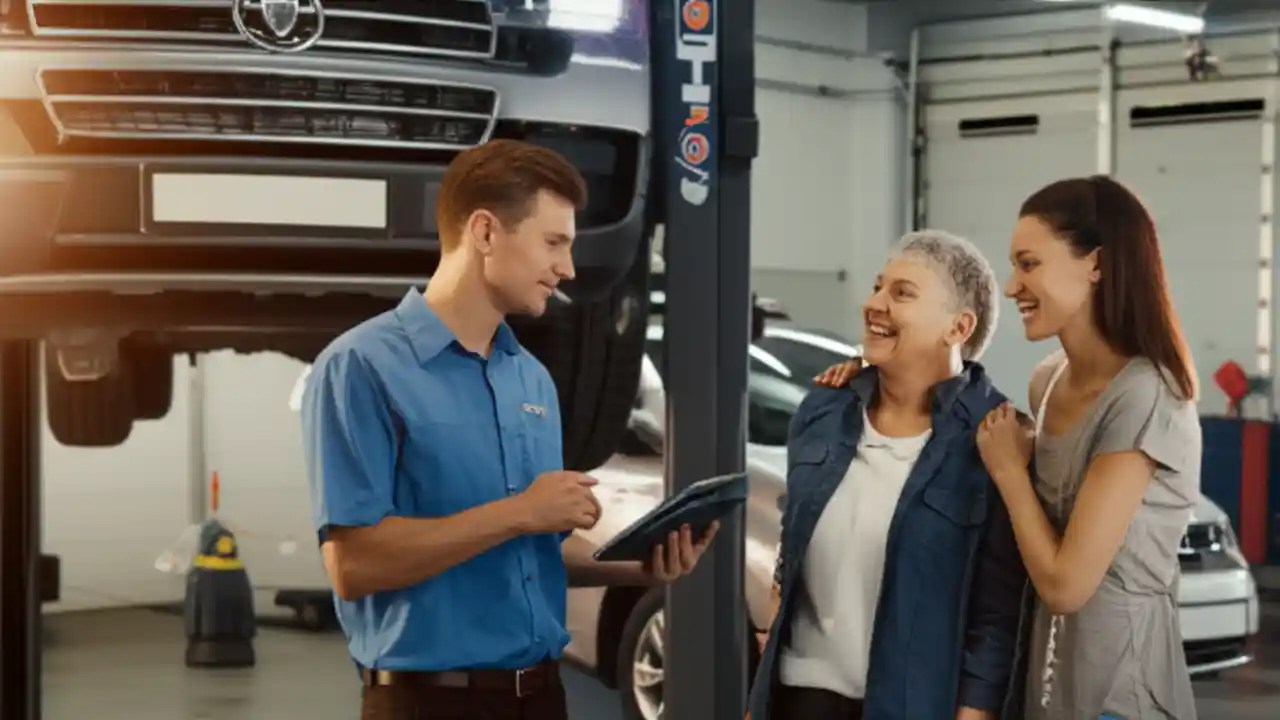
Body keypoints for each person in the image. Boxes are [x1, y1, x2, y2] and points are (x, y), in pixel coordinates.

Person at [300, 139, 718, 720]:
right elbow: (353, 566)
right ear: (486, 232)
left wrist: (636, 565)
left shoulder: (531, 380)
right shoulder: (361, 368)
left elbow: (525, 548)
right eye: (554, 242)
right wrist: (522, 510)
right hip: (428, 704)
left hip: (542, 698)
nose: (568, 268)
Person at [816, 176, 1201, 720]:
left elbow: (1065, 585)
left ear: (1095, 263)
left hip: (1120, 696)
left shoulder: (1146, 396)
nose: (1012, 284)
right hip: (1044, 691)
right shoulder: (1048, 381)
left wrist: (1010, 472)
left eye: (1028, 263)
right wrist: (876, 370)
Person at [747, 230, 1030, 720]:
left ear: (958, 327)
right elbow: (791, 558)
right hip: (800, 696)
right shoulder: (822, 411)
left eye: (902, 293)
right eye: (878, 287)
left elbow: (996, 619)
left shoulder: (997, 439)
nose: (874, 304)